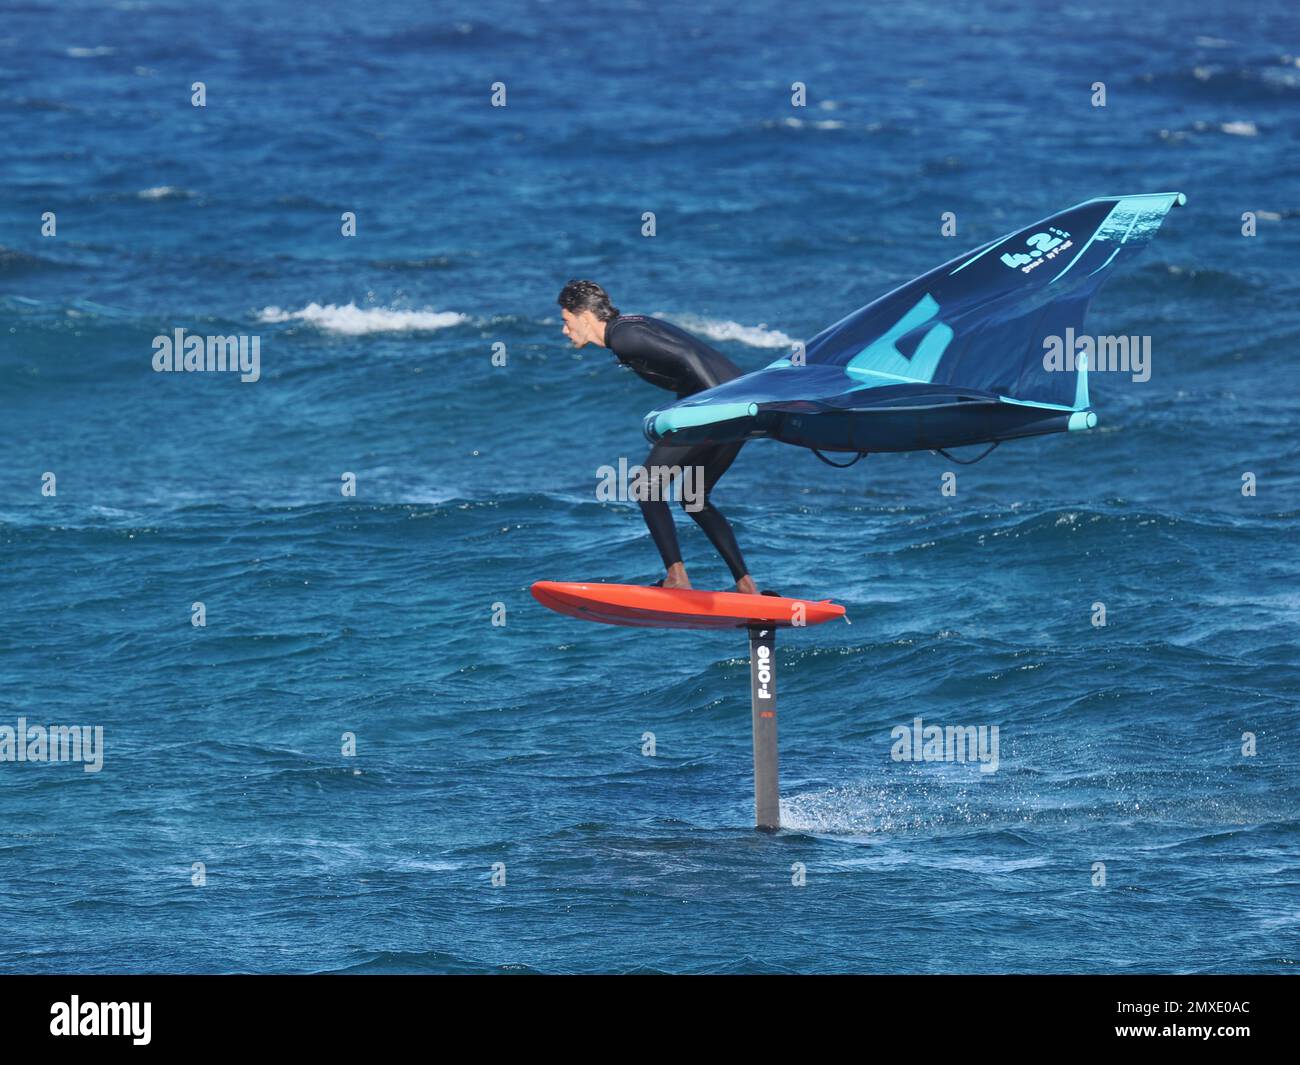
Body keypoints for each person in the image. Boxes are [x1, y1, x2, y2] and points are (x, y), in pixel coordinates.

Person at [557, 279, 758, 594]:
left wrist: (714, 406)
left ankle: (677, 578)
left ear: (584, 315)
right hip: (736, 408)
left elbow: (689, 357)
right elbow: (686, 372)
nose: (564, 330)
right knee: (694, 499)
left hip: (720, 406)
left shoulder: (624, 336)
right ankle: (746, 585)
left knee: (646, 487)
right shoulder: (629, 330)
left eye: (566, 321)